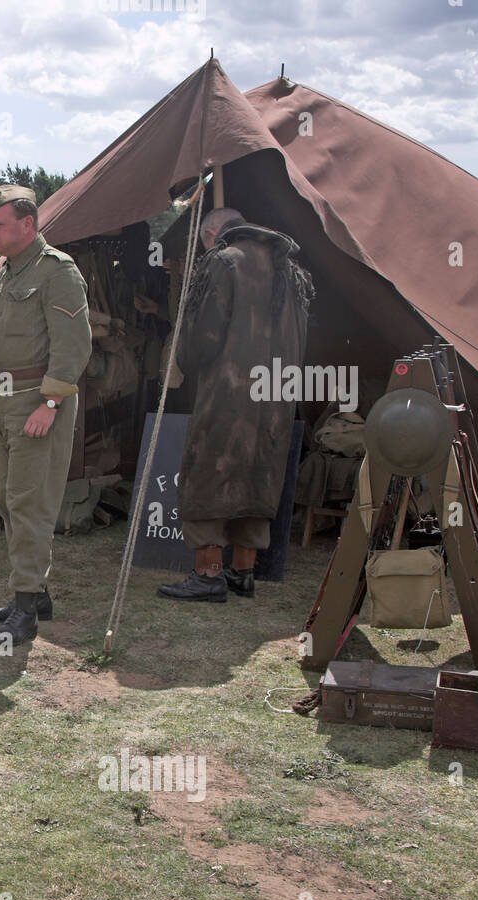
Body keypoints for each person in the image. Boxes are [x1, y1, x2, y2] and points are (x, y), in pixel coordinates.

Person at [157, 207, 313, 603]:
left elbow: (201, 341)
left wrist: (187, 359)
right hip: (276, 395)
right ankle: (242, 573)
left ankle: (208, 575)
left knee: (209, 474)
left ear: (211, 235)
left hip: (228, 395)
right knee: (257, 477)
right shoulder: (291, 271)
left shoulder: (223, 263)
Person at [0, 184, 92, 644]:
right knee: (5, 497)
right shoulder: (10, 271)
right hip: (6, 398)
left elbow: (73, 344)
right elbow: (20, 334)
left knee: (29, 502)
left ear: (27, 224)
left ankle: (25, 609)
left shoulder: (58, 271)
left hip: (38, 399)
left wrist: (51, 403)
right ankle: (35, 594)